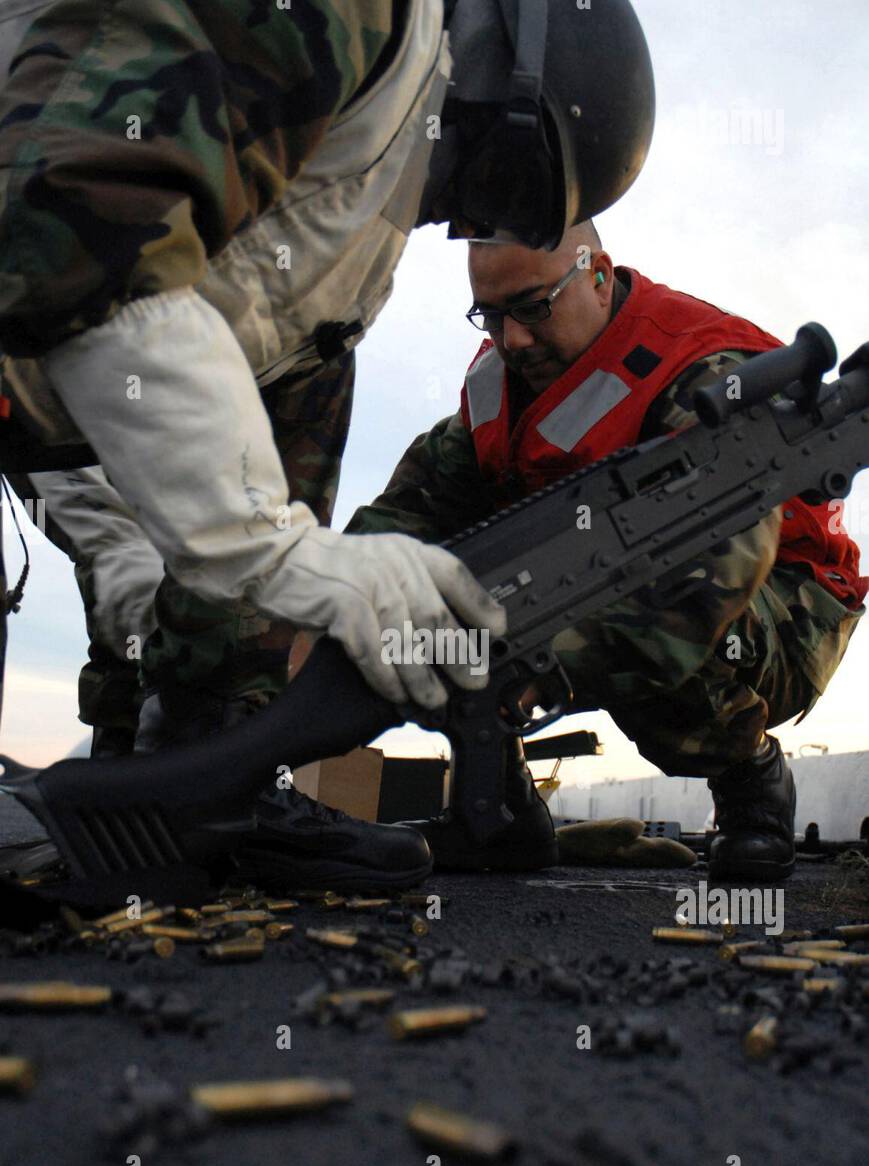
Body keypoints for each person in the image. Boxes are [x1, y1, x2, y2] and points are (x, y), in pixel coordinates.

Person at [0, 0, 655, 889]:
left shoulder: (349, 206)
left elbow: (282, 372)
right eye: (503, 185)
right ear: (510, 70)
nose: (464, 219)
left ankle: (200, 789)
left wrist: (212, 744)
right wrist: (275, 554)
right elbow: (73, 211)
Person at [346, 221, 867, 880]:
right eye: (492, 314)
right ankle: (498, 823)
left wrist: (535, 664)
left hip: (781, 604)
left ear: (595, 273)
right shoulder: (501, 378)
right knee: (443, 596)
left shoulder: (699, 372)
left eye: (533, 308)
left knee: (608, 616)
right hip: (611, 571)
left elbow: (712, 578)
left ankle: (750, 781)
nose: (512, 338)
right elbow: (414, 507)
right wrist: (343, 602)